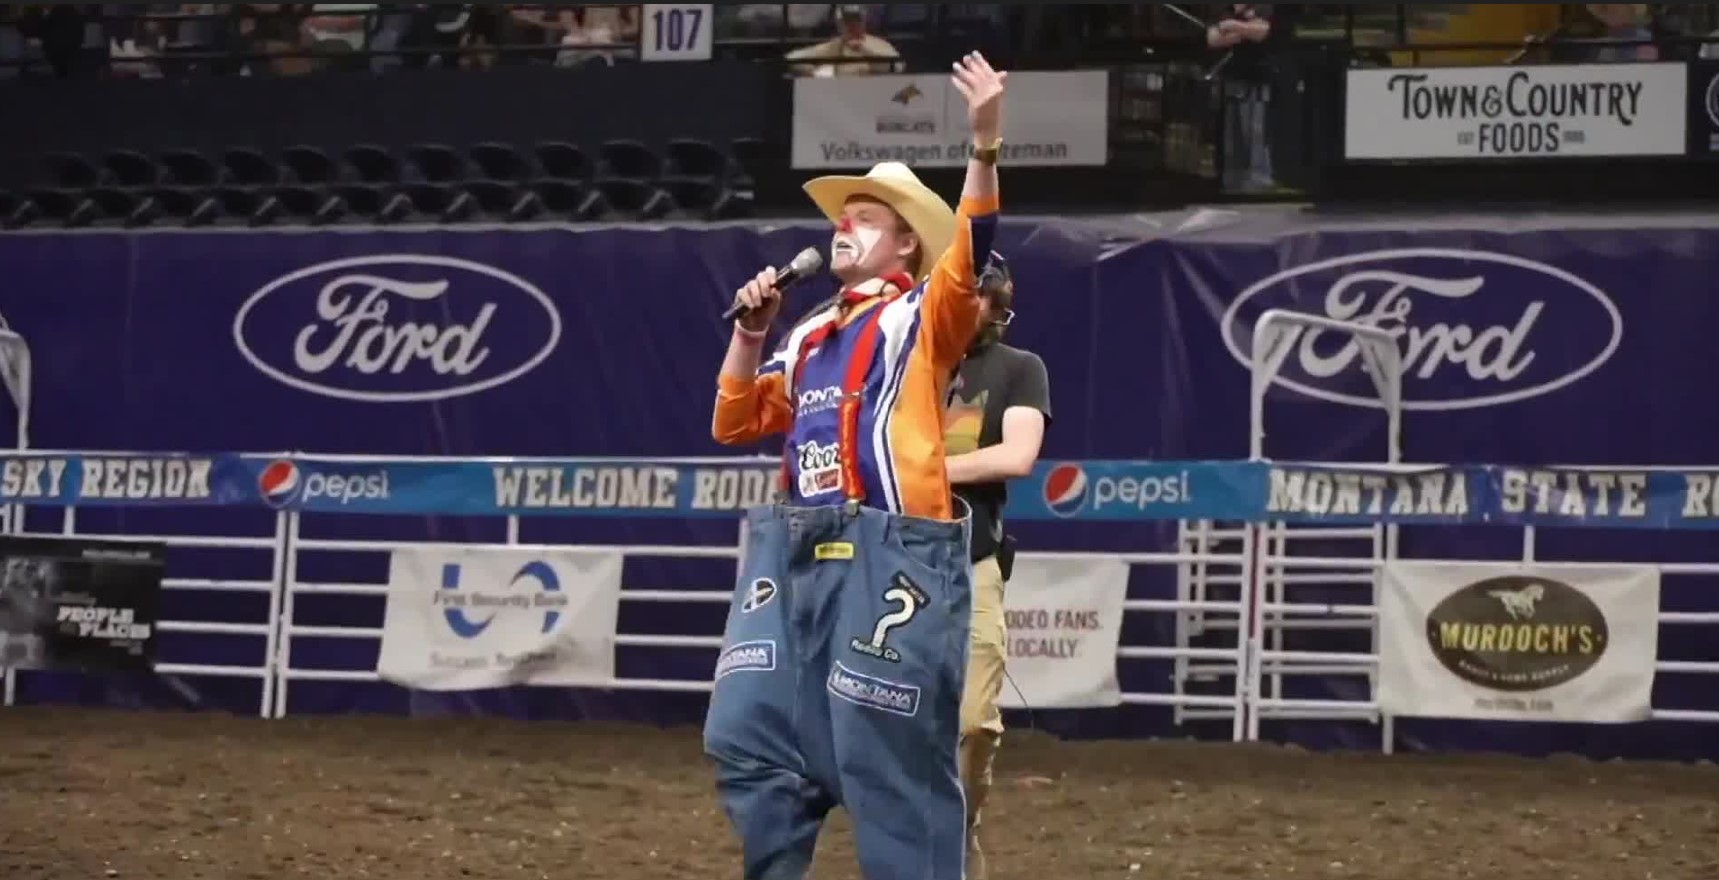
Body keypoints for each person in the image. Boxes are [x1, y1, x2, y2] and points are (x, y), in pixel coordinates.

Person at [703, 50, 1008, 880]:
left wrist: (983, 146)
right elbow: (734, 421)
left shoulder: (923, 314)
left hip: (889, 545)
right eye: (843, 218)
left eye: (866, 219)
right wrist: (752, 330)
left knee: (889, 751)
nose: (845, 228)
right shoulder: (806, 335)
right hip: (799, 548)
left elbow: (972, 251)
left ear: (907, 242)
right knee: (745, 732)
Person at [940, 252, 1050, 880]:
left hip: (972, 558)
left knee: (975, 722)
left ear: (996, 305)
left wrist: (922, 468)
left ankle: (962, 824)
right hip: (890, 556)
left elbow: (1016, 457)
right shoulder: (906, 364)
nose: (968, 302)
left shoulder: (1018, 369)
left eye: (978, 292)